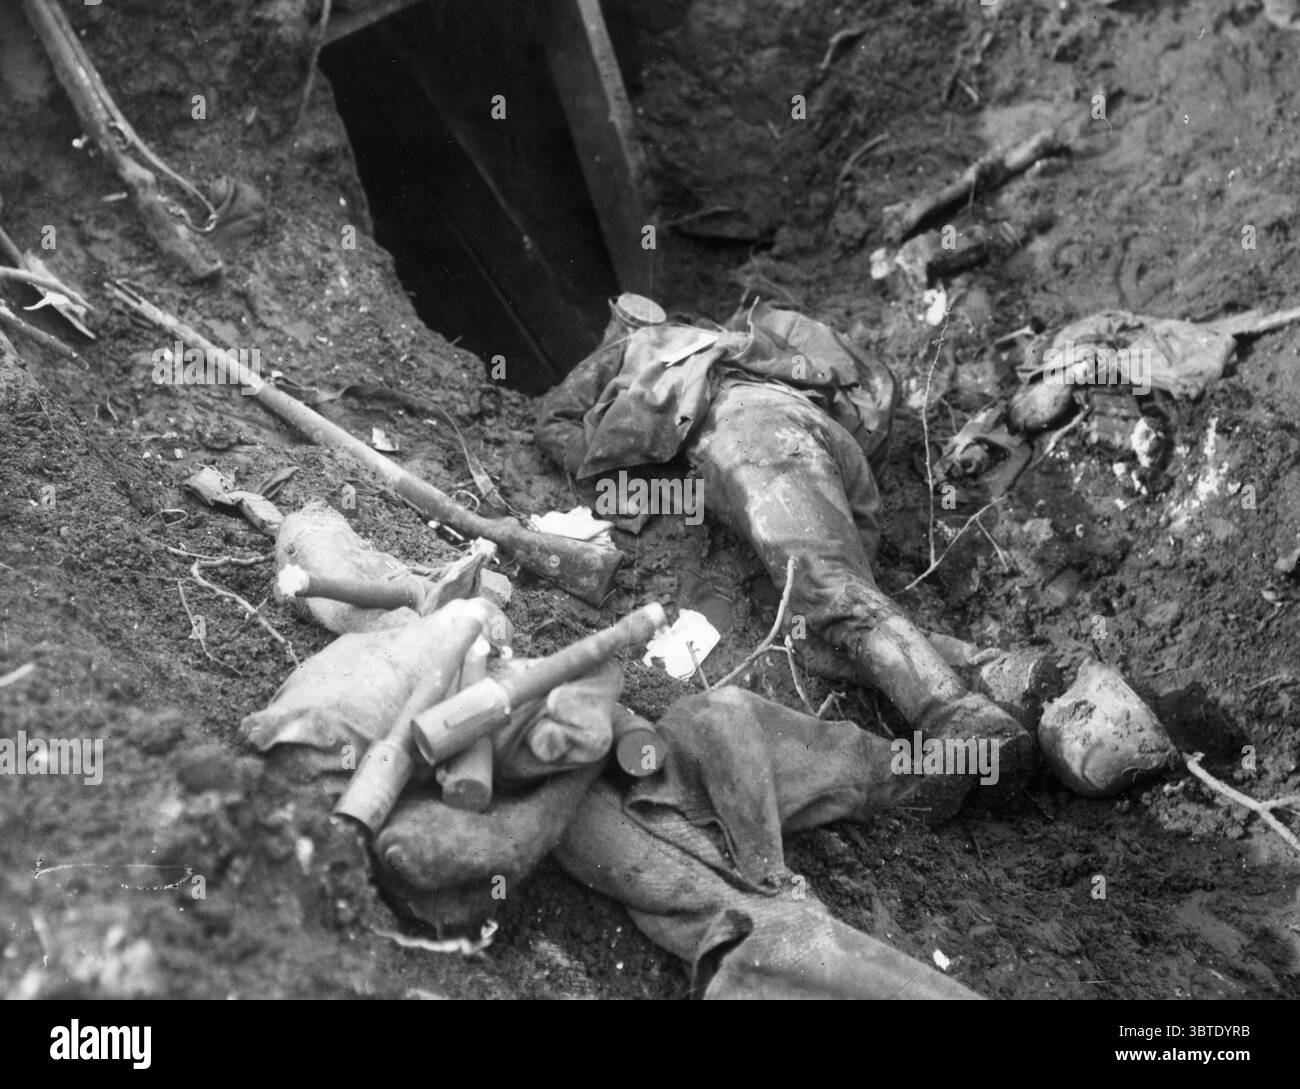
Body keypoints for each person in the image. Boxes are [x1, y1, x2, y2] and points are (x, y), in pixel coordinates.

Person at [534, 294, 1036, 806]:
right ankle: (999, 675)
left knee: (833, 597)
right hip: (827, 442)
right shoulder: (744, 339)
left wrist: (638, 483)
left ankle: (961, 722)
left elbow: (553, 421)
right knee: (819, 634)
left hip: (754, 438)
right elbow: (871, 382)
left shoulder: (634, 350)